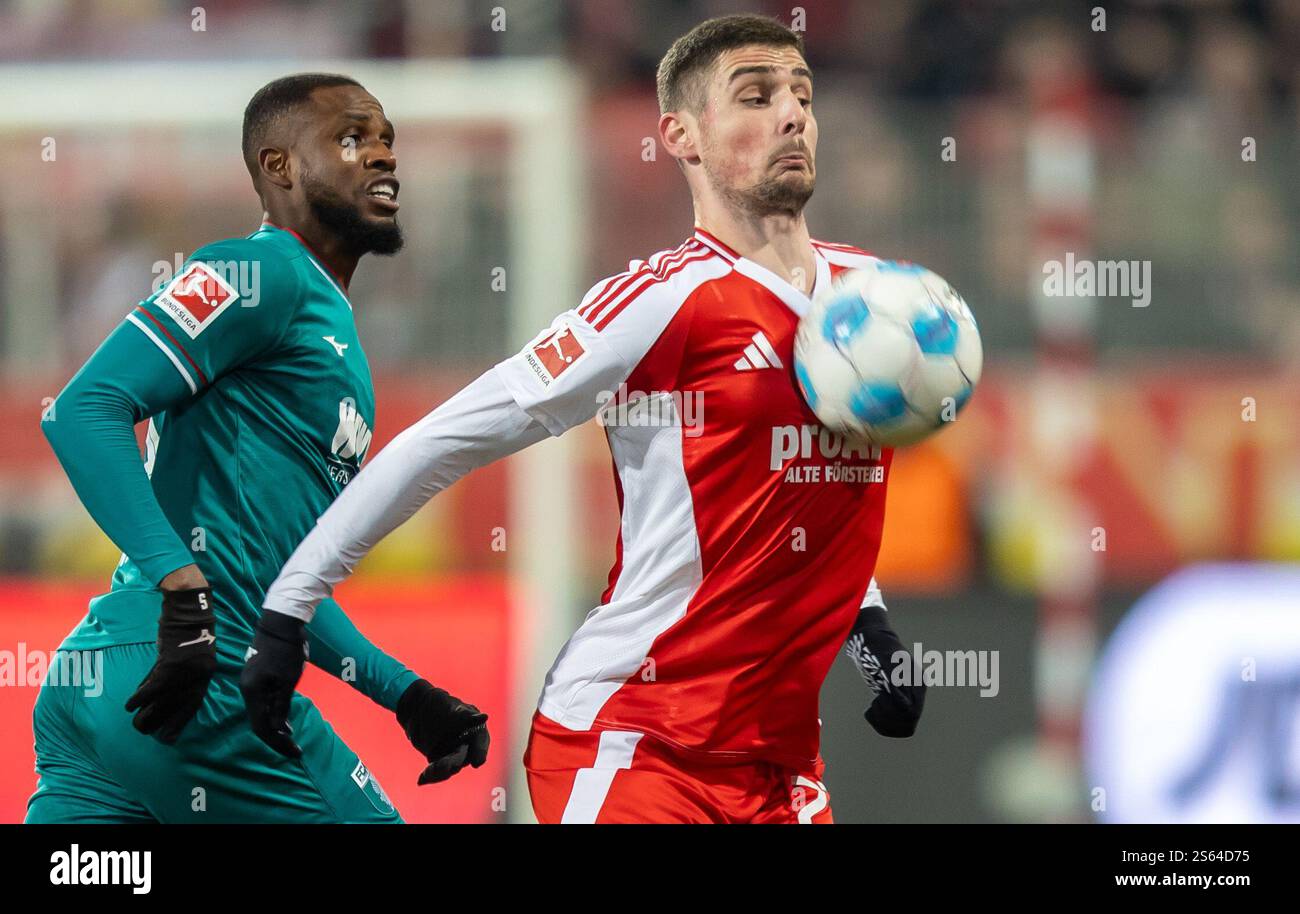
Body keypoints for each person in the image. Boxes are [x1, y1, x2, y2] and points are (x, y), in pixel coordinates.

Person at [247, 16, 924, 824]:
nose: (792, 115)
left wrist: (867, 622)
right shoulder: (660, 303)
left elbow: (811, 492)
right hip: (634, 742)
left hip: (781, 768)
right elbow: (446, 439)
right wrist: (291, 603)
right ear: (682, 135)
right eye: (756, 96)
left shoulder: (879, 300)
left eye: (802, 96)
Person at [29, 73, 487, 824]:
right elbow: (84, 411)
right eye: (351, 137)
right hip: (199, 681)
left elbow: (283, 580)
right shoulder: (259, 272)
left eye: (386, 140)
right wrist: (183, 590)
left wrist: (405, 693)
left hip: (100, 683)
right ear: (279, 167)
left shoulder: (326, 329)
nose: (381, 155)